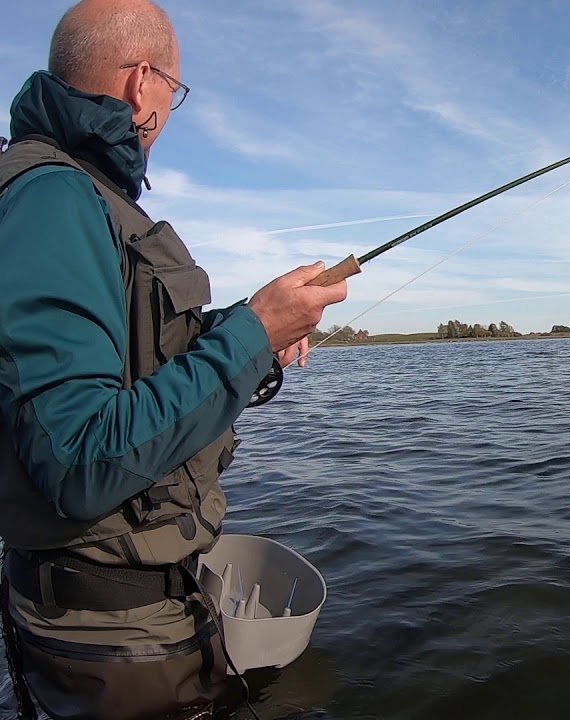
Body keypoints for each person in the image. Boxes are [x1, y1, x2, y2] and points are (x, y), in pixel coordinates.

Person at [0, 1, 348, 717]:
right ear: (142, 84)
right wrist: (251, 334)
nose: (169, 109)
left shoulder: (73, 197)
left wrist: (257, 335)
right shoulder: (54, 198)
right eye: (174, 91)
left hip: (114, 628)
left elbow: (132, 357)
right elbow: (77, 458)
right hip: (114, 644)